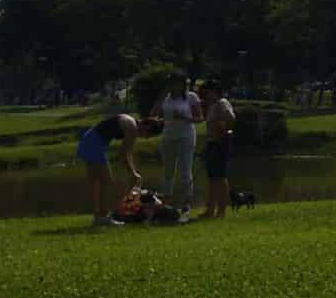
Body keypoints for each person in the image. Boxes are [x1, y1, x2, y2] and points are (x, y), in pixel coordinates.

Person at [77, 112, 162, 227]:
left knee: (96, 183)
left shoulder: (131, 124)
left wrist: (133, 172)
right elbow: (123, 154)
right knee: (106, 182)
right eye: (148, 134)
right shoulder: (132, 128)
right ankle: (103, 217)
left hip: (88, 139)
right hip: (94, 144)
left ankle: (98, 217)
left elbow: (128, 153)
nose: (145, 138)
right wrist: (133, 173)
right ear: (146, 126)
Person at [156, 75, 203, 212]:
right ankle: (167, 203)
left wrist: (184, 117)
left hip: (186, 137)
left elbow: (200, 117)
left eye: (178, 83)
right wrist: (161, 98)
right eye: (172, 83)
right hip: (168, 137)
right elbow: (153, 114)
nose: (174, 86)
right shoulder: (166, 99)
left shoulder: (191, 97)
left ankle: (186, 202)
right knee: (168, 171)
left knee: (185, 170)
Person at [200, 80, 237, 219]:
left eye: (207, 92)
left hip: (220, 143)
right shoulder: (212, 106)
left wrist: (223, 131)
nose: (205, 95)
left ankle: (221, 211)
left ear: (214, 91)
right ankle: (210, 209)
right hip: (211, 142)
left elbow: (231, 118)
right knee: (211, 178)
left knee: (220, 177)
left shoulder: (222, 103)